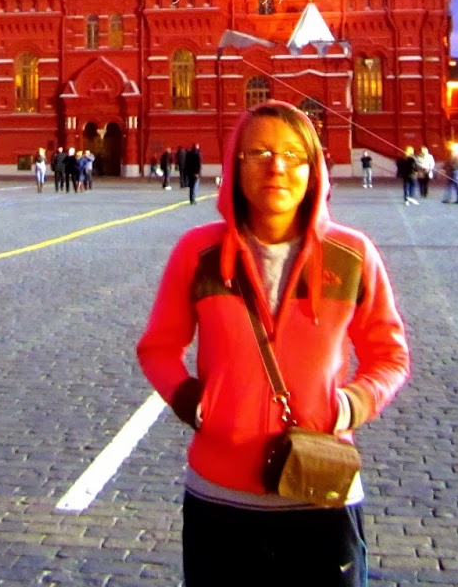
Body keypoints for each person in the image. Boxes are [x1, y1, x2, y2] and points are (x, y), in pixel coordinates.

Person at [136, 102, 411, 586]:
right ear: (235, 164)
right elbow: (157, 347)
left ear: (315, 168)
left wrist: (348, 406)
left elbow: (389, 354)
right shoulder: (198, 253)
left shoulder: (351, 255)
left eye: (292, 154)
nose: (276, 166)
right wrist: (192, 401)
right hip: (219, 494)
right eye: (258, 152)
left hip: (322, 492)